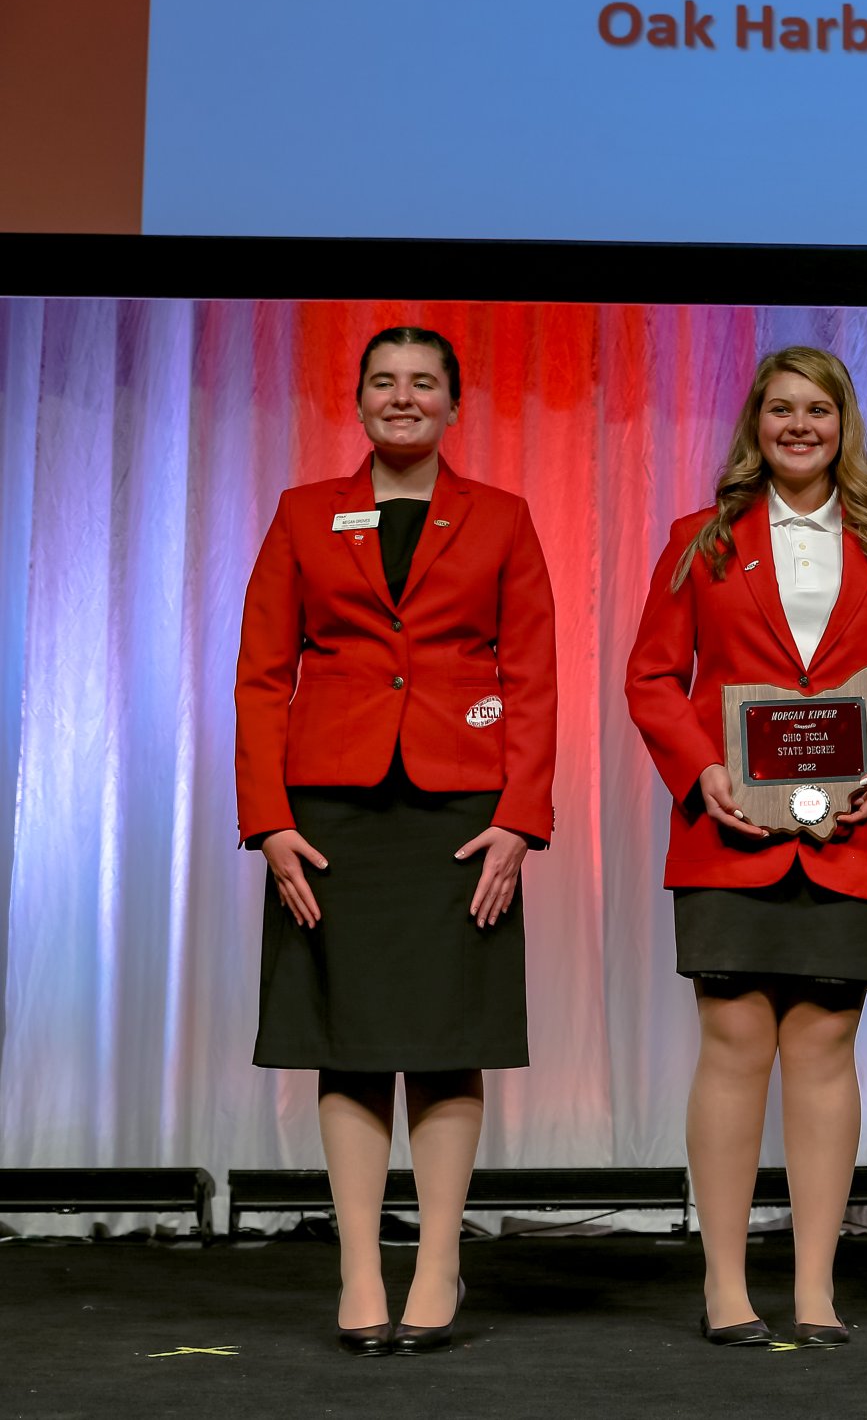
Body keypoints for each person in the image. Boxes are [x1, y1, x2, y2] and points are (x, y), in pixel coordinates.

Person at [625, 345, 867, 1349]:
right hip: (728, 832)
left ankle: (814, 1288)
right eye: (780, 409)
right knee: (733, 1046)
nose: (798, 426)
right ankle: (725, 1286)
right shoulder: (700, 541)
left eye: (817, 408)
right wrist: (702, 773)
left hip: (851, 835)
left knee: (823, 1048)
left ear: (843, 423)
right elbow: (651, 679)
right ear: (756, 425)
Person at [235, 326, 557, 1356]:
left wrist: (520, 816)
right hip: (329, 816)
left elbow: (536, 679)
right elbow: (258, 675)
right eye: (385, 382)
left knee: (446, 1037)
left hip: (463, 815)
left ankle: (436, 1264)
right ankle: (360, 1266)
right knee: (352, 1040)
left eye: (423, 384)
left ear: (454, 405)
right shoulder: (299, 514)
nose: (403, 398)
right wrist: (269, 820)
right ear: (360, 400)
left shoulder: (501, 519)